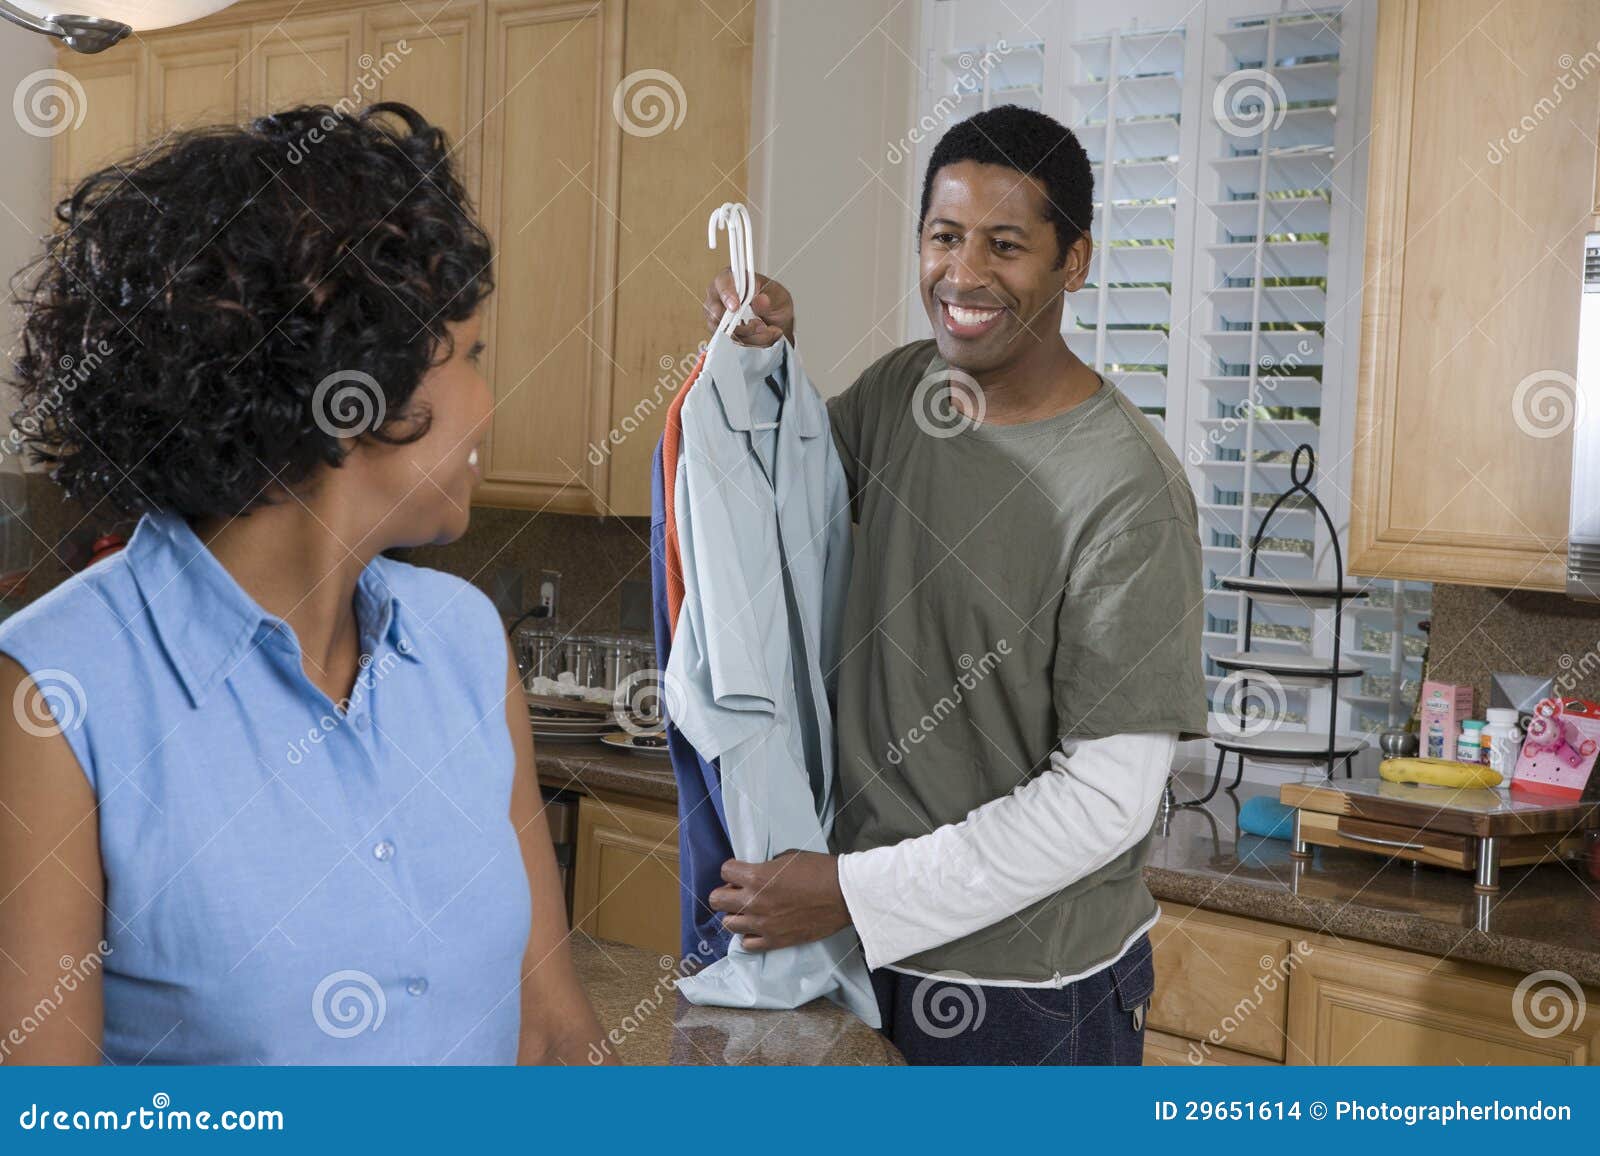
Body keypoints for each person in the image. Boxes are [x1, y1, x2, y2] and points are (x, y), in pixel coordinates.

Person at [0, 103, 609, 1065]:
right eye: (474, 355)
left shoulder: (463, 642)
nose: (491, 401)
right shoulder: (55, 696)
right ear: (357, 381)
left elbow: (554, 1026)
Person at [699, 105, 1208, 1065]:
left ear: (1075, 261)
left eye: (1006, 245)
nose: (964, 275)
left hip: (1029, 1001)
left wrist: (849, 889)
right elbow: (784, 501)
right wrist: (768, 359)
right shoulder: (908, 393)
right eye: (944, 236)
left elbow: (1105, 802)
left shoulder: (1129, 497)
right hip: (858, 958)